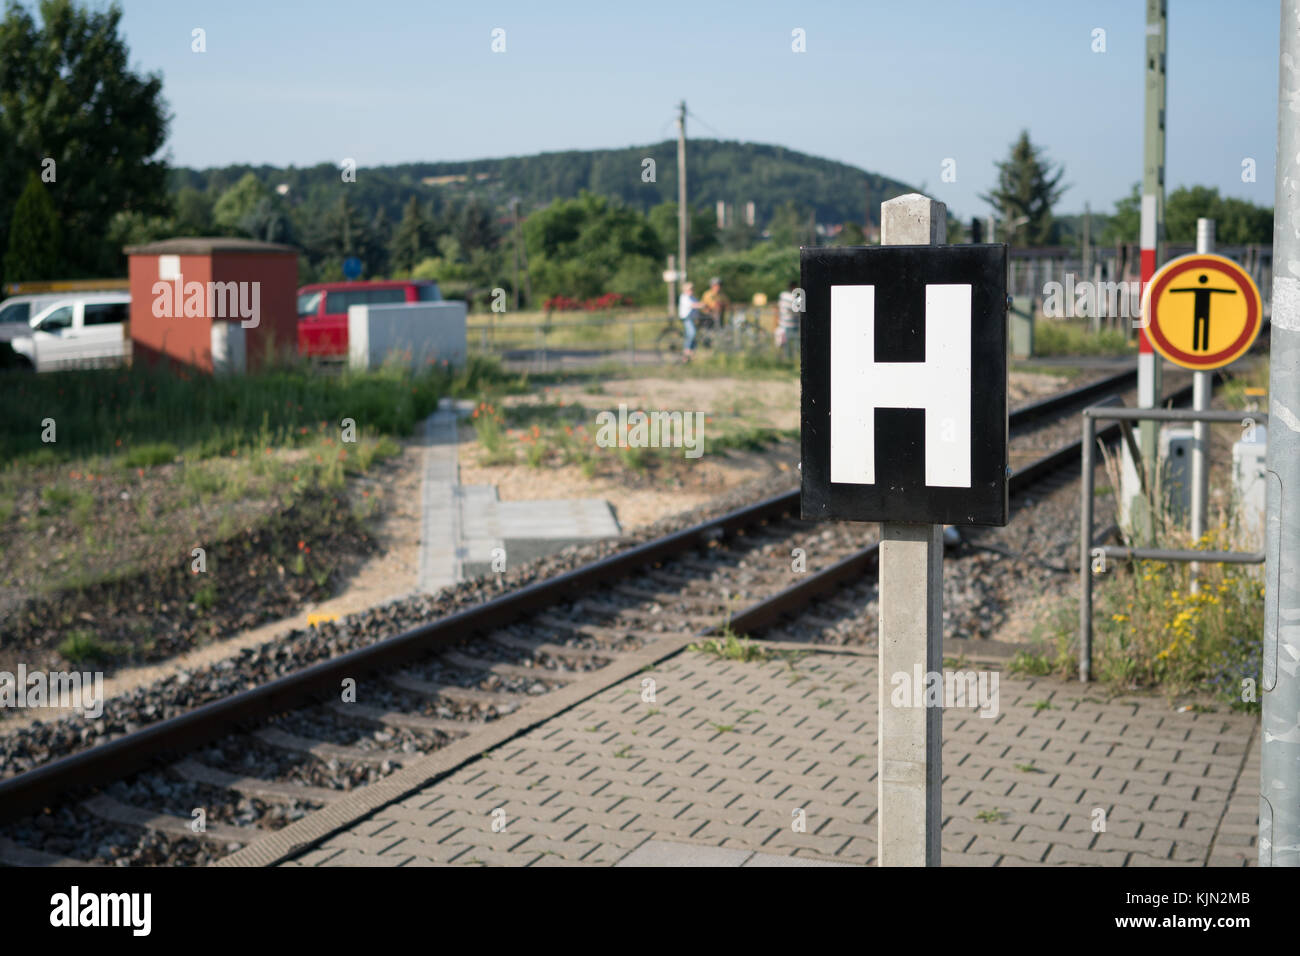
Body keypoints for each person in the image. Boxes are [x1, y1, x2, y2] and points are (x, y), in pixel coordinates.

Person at [678, 281, 701, 362]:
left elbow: (696, 305)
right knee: (692, 333)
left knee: (693, 336)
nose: (691, 290)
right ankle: (686, 351)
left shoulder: (692, 297)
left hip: (693, 318)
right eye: (689, 289)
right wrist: (702, 305)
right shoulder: (684, 297)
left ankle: (690, 354)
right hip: (687, 318)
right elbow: (693, 305)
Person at [777, 280, 800, 359]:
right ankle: (791, 358)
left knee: (787, 343)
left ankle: (789, 358)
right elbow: (797, 309)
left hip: (784, 323)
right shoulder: (791, 297)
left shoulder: (783, 295)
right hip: (790, 324)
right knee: (793, 343)